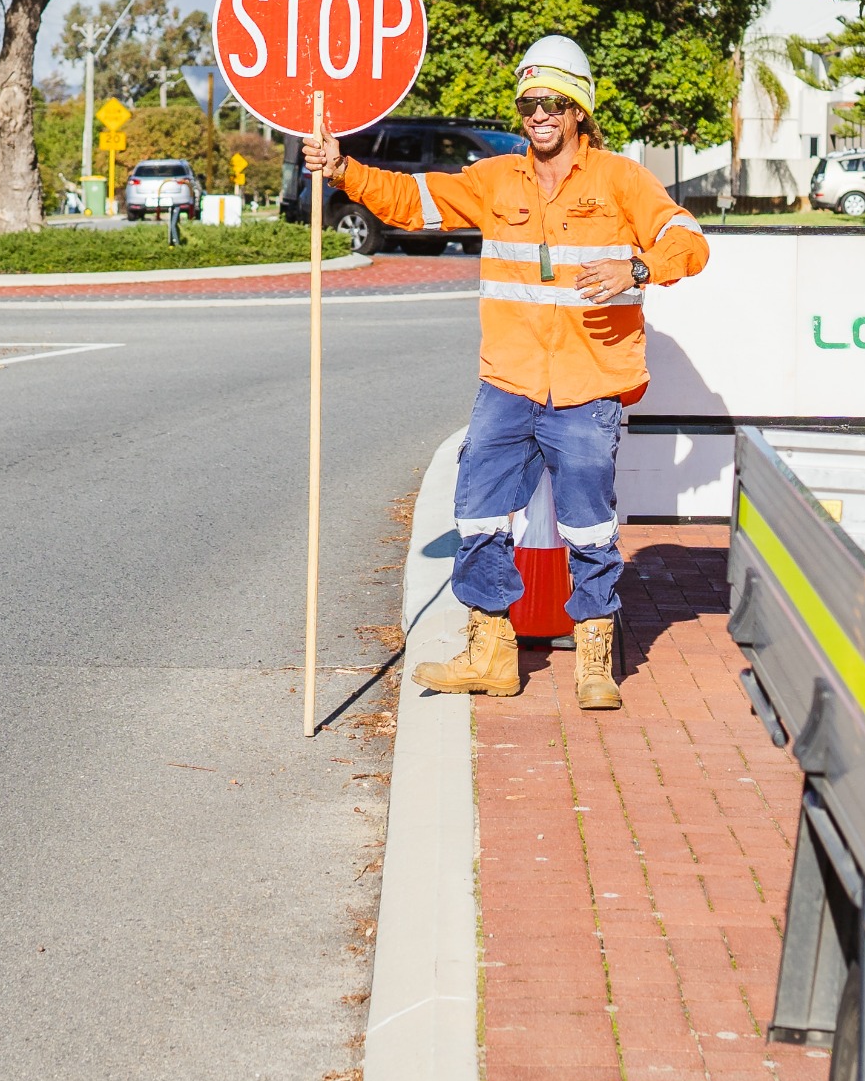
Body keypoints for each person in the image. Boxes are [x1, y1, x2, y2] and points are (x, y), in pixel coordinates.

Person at [302, 35, 709, 708]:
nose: (538, 114)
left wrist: (637, 267)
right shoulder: (495, 180)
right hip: (508, 385)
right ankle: (491, 648)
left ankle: (594, 654)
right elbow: (411, 200)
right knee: (477, 512)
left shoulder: (621, 180)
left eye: (553, 101)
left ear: (578, 110)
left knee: (588, 525)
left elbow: (687, 241)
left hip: (588, 387)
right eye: (528, 102)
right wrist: (343, 166)